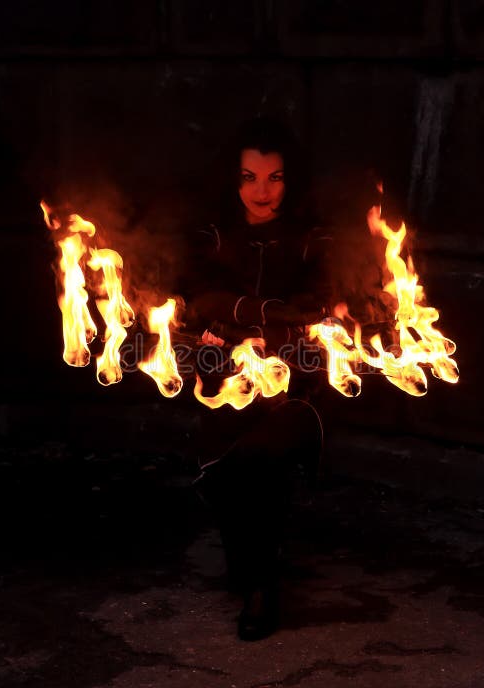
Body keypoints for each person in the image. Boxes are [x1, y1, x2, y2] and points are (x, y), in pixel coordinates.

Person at [179, 116, 334, 641]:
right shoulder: (212, 235)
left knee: (257, 457)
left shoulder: (314, 238)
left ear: (292, 179)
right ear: (233, 178)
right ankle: (249, 568)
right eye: (249, 177)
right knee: (232, 448)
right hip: (225, 382)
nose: (261, 192)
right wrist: (265, 315)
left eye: (274, 177)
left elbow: (319, 305)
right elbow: (200, 298)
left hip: (299, 387)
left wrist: (255, 322)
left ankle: (260, 587)